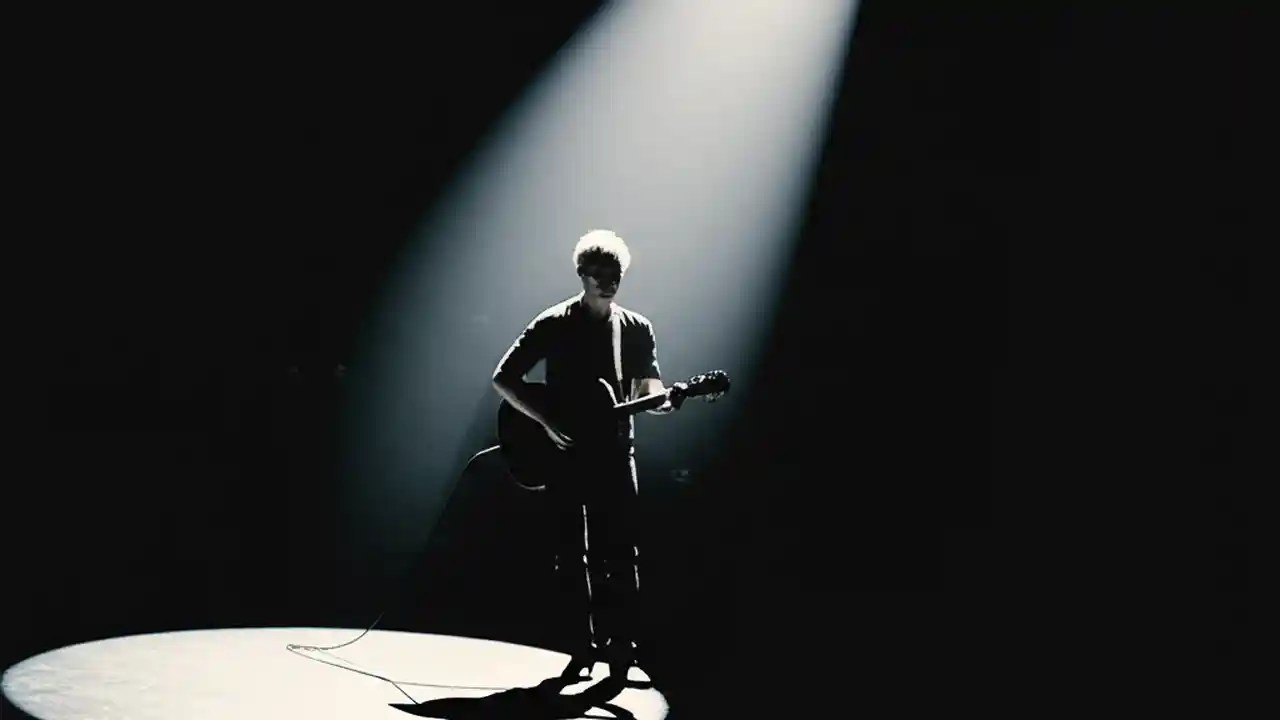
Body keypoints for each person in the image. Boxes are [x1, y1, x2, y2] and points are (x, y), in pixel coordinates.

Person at [491, 229, 683, 681]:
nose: (607, 281)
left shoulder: (635, 328)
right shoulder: (554, 323)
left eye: (614, 274)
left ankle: (622, 647)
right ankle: (582, 644)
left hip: (616, 453)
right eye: (598, 273)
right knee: (570, 553)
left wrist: (667, 399)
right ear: (582, 275)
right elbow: (505, 377)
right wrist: (546, 422)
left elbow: (647, 389)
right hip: (567, 456)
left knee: (620, 552)